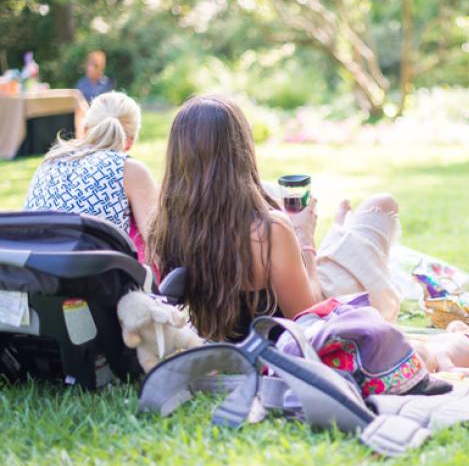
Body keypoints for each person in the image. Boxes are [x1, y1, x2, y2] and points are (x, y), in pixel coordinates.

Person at [148, 94, 401, 342]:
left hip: (231, 345)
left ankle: (338, 235)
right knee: (381, 206)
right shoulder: (269, 230)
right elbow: (308, 319)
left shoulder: (164, 225)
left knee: (355, 229)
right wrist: (304, 236)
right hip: (299, 336)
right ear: (241, 151)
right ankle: (340, 237)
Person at [24, 91, 158, 258]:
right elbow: (158, 244)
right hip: (93, 279)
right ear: (129, 142)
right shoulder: (129, 170)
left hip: (37, 274)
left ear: (85, 129)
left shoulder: (49, 163)